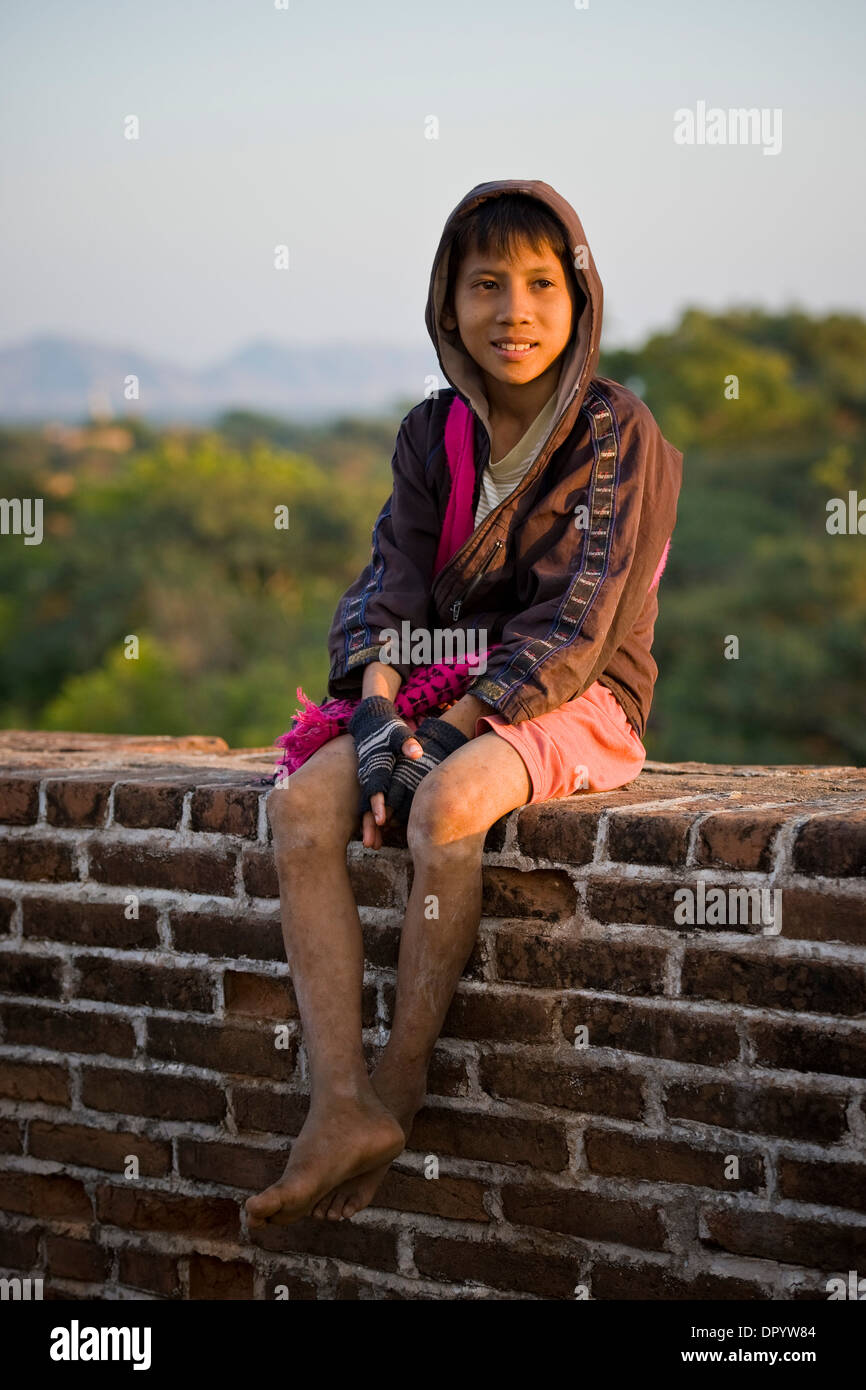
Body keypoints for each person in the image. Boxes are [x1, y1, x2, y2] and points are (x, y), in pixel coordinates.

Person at [245, 178, 683, 1229]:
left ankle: (400, 1079)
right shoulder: (428, 434)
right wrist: (378, 713)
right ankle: (338, 1100)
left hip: (574, 695)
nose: (513, 312)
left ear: (580, 301)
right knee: (301, 811)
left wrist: (440, 735)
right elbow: (386, 586)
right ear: (447, 305)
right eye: (484, 285)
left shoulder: (615, 429)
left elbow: (578, 621)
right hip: (440, 689)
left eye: (540, 284)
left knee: (444, 806)